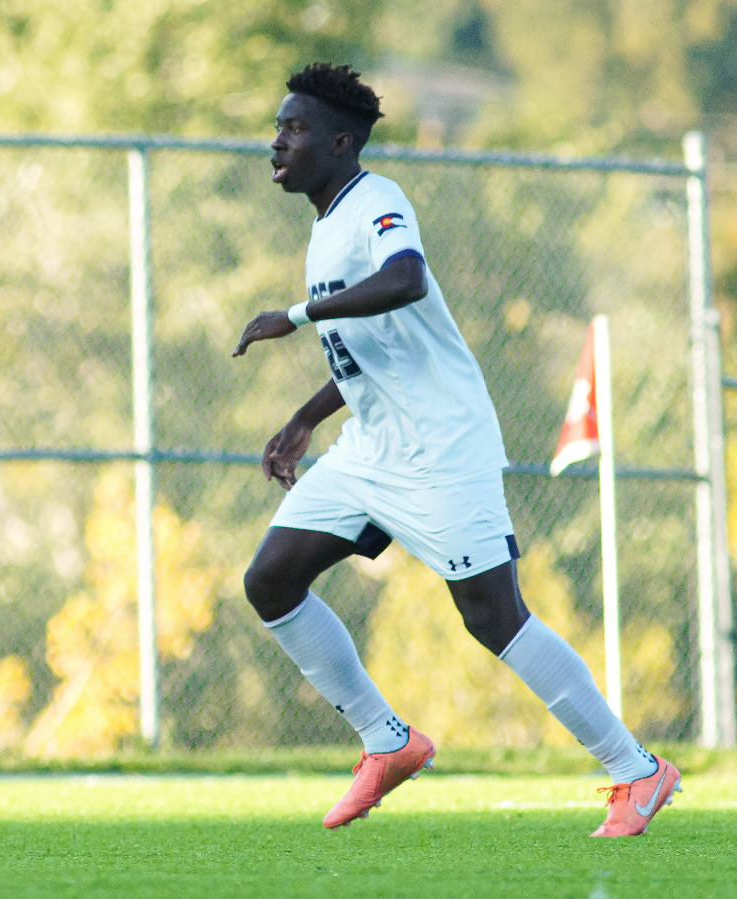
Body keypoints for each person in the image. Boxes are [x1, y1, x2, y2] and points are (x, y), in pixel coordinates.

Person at [231, 62, 680, 836]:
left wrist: (297, 316)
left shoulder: (377, 200)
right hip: (372, 447)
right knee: (271, 580)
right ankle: (387, 741)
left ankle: (637, 770)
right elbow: (377, 346)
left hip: (442, 448)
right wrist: (306, 417)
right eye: (278, 127)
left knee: (494, 618)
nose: (277, 142)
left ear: (342, 142)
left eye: (295, 128)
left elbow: (405, 280)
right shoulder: (326, 222)